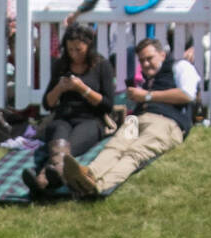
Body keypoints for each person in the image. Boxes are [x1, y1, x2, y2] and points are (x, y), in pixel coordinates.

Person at [62, 37, 198, 200]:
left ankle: (100, 186)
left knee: (134, 154)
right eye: (142, 60)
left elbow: (187, 94)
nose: (146, 64)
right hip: (137, 120)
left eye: (149, 58)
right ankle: (90, 174)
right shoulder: (150, 80)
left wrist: (147, 96)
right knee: (115, 146)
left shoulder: (180, 66)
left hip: (166, 122)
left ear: (162, 55)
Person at [23, 22, 115, 198]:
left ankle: (42, 179)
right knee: (59, 138)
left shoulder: (102, 65)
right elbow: (47, 104)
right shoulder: (61, 65)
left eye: (79, 50)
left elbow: (107, 105)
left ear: (89, 47)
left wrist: (83, 89)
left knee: (69, 145)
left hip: (91, 119)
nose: (74, 54)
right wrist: (59, 88)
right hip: (63, 117)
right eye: (70, 49)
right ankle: (53, 177)